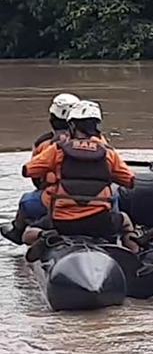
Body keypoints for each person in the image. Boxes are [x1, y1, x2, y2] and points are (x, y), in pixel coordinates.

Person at [20, 100, 138, 252]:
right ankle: (135, 257)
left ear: (72, 126)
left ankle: (46, 236)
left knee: (27, 234)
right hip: (100, 223)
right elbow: (130, 181)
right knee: (126, 221)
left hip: (63, 222)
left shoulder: (58, 149)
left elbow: (28, 170)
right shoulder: (108, 152)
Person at [2, 93, 80, 244]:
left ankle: (17, 232)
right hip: (98, 199)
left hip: (55, 200)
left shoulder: (46, 144)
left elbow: (34, 175)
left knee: (26, 202)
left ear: (52, 118)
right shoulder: (98, 142)